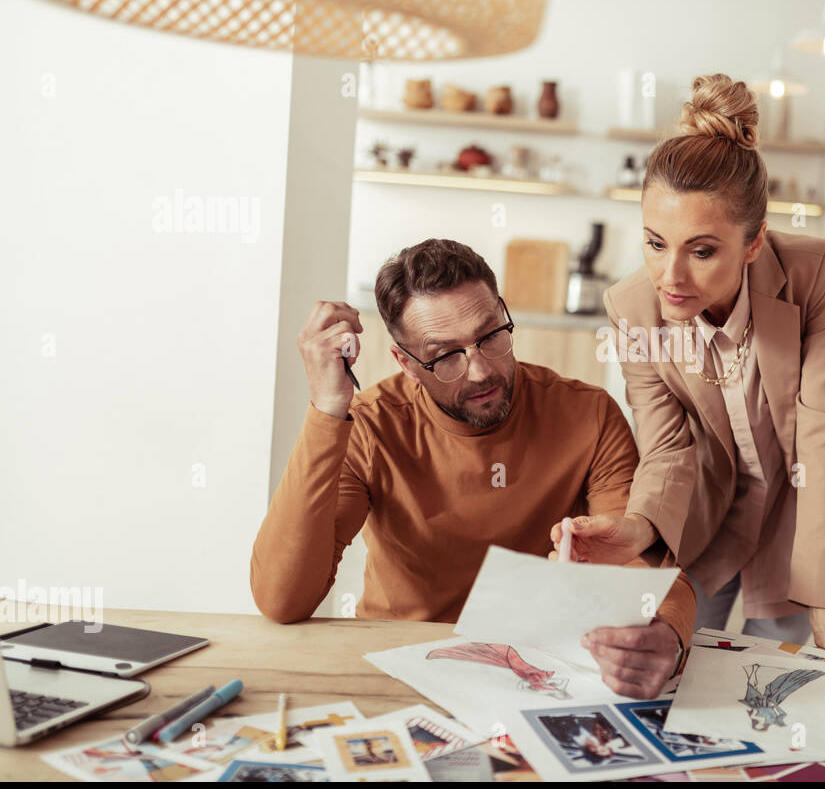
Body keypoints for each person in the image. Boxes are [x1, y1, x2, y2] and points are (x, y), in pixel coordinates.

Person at [549, 74, 825, 657]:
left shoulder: (816, 275)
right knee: (677, 651)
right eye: (655, 243)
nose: (670, 276)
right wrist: (638, 526)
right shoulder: (632, 308)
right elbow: (669, 447)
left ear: (753, 244)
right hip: (709, 508)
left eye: (701, 251)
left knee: (774, 673)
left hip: (805, 509)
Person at [250, 239, 694, 699]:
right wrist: (327, 409)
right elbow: (282, 598)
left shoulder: (588, 413)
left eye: (490, 336)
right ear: (405, 362)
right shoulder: (369, 425)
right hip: (402, 660)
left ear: (504, 313)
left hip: (541, 667)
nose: (480, 371)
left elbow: (643, 561)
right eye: (444, 356)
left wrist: (667, 635)